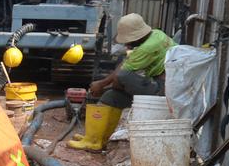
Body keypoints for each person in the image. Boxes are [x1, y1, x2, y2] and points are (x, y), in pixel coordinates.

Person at [68, 13, 177, 151]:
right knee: (111, 97)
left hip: (162, 92)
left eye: (129, 41)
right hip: (160, 85)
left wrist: (101, 84)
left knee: (123, 76)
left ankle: (95, 139)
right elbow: (127, 62)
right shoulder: (157, 34)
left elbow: (122, 73)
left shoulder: (147, 48)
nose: (127, 44)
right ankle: (96, 139)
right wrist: (112, 84)